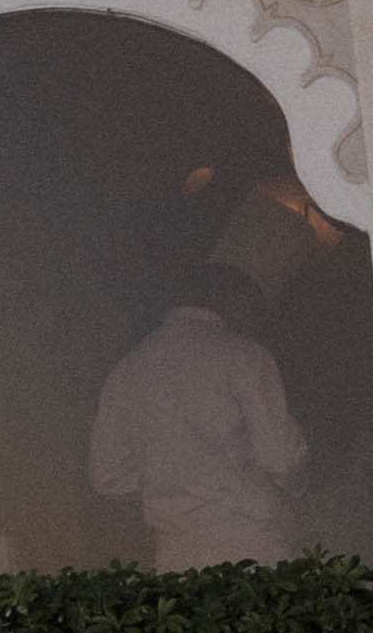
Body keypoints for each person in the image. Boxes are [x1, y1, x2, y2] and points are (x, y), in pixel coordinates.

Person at [84, 224, 314, 571]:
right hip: (254, 548)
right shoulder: (244, 356)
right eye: (258, 301)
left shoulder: (126, 370)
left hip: (176, 559)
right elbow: (283, 458)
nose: (259, 315)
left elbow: (107, 476)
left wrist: (170, 485)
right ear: (234, 296)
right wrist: (297, 489)